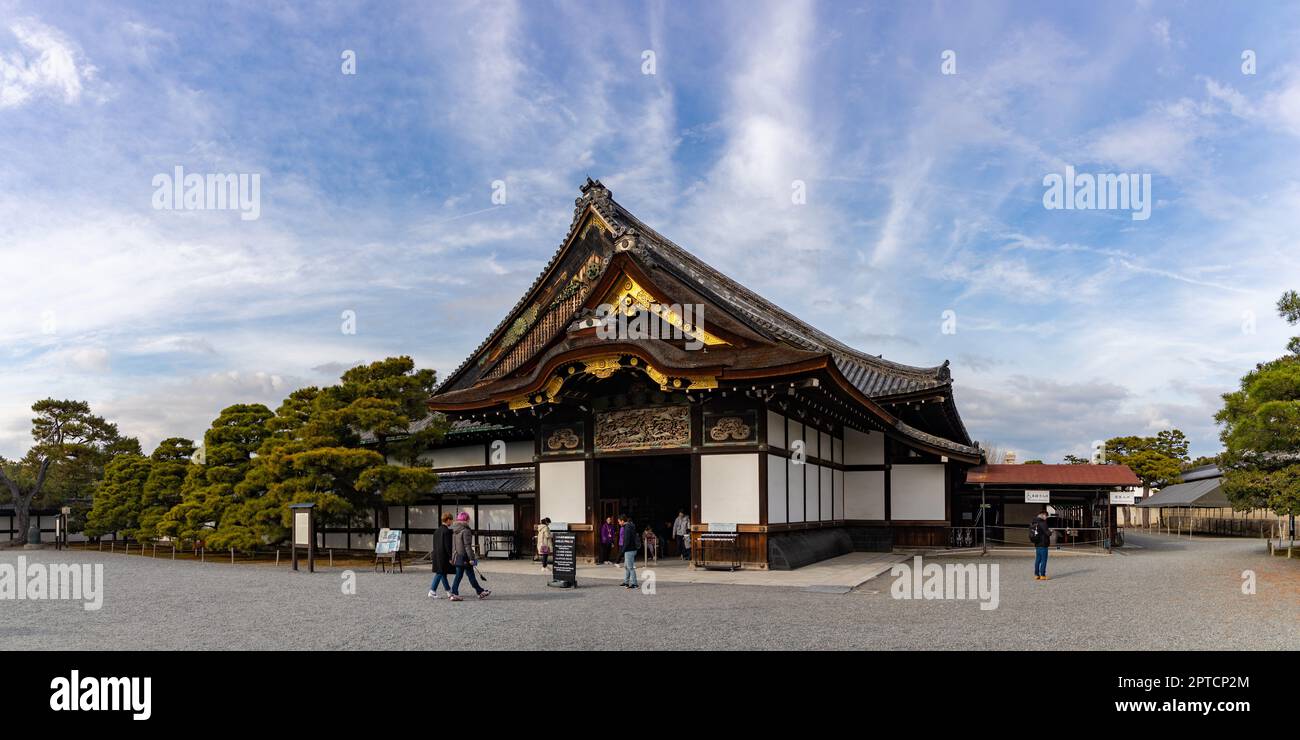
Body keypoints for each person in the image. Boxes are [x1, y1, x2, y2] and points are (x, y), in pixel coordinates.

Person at [449, 512, 490, 601]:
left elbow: (453, 546)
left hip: (457, 556)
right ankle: (478, 592)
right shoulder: (466, 530)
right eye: (468, 519)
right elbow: (467, 546)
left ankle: (478, 591)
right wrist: (472, 558)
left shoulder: (455, 530)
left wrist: (453, 557)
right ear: (466, 520)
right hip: (464, 557)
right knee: (469, 575)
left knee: (460, 576)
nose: (469, 521)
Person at [427, 513, 455, 599]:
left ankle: (448, 591)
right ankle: (432, 591)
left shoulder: (437, 531)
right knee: (440, 573)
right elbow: (447, 546)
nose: (452, 521)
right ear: (448, 520)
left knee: (443, 574)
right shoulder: (446, 532)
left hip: (436, 555)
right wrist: (451, 557)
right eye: (451, 520)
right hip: (443, 556)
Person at [618, 514, 639, 589]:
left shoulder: (627, 528)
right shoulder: (630, 525)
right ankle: (626, 582)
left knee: (630, 567)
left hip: (629, 550)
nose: (619, 523)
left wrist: (622, 551)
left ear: (623, 521)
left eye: (619, 522)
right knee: (627, 566)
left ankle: (634, 584)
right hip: (632, 549)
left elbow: (626, 541)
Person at [1030, 510, 1050, 581]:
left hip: (1037, 543)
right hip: (1043, 544)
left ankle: (1036, 575)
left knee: (1037, 560)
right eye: (1046, 516)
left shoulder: (1034, 522)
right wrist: (1051, 531)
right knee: (1044, 560)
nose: (1046, 518)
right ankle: (1042, 575)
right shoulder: (1042, 523)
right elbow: (1048, 533)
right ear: (1043, 515)